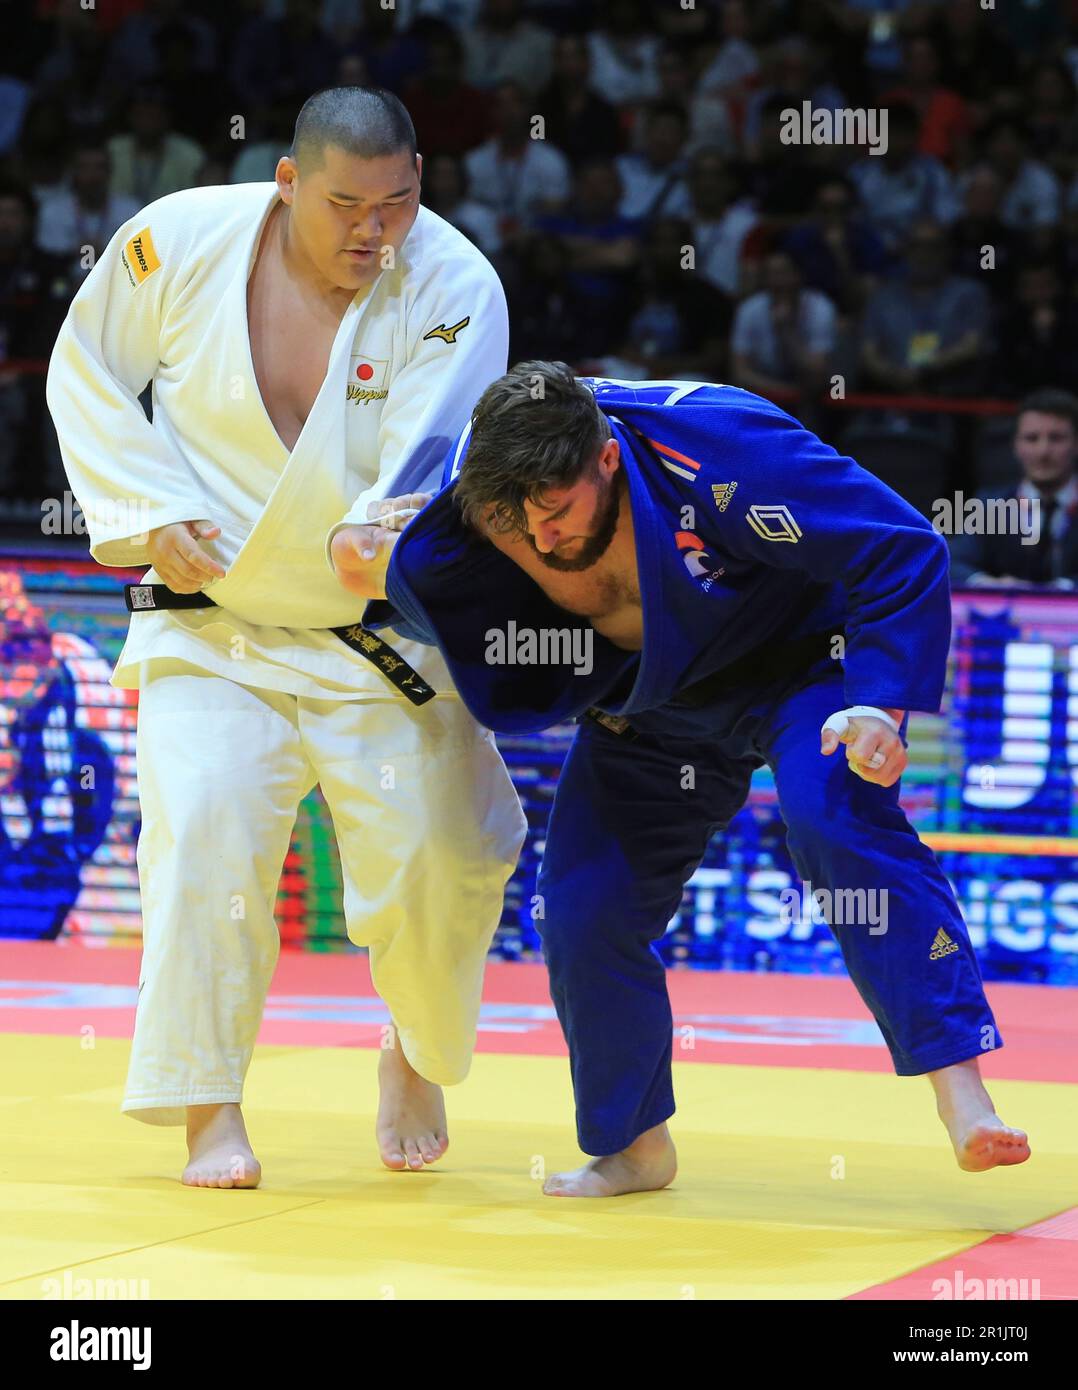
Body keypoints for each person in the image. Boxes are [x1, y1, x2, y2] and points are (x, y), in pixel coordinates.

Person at [364, 361, 1031, 1196]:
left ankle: (963, 1098)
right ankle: (633, 1145)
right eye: (516, 520)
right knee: (580, 906)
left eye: (559, 512)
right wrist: (363, 558)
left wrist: (879, 709)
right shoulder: (481, 492)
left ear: (607, 457)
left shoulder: (724, 448)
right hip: (650, 702)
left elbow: (898, 548)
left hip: (800, 672)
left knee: (835, 820)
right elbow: (400, 579)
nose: (541, 539)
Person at [45, 87, 527, 1189]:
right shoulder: (174, 241)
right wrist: (147, 514)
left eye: (398, 203)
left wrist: (378, 534)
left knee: (437, 857)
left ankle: (413, 1043)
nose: (374, 230)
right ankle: (209, 1107)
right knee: (203, 837)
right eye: (348, 204)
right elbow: (86, 376)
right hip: (212, 625)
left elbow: (431, 451)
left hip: (377, 638)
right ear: (287, 182)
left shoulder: (454, 282)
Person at [950, 390, 1078, 589]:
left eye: (1056, 438)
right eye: (1031, 438)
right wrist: (990, 584)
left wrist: (1062, 590)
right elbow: (953, 562)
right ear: (1016, 446)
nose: (1043, 451)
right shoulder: (989, 506)